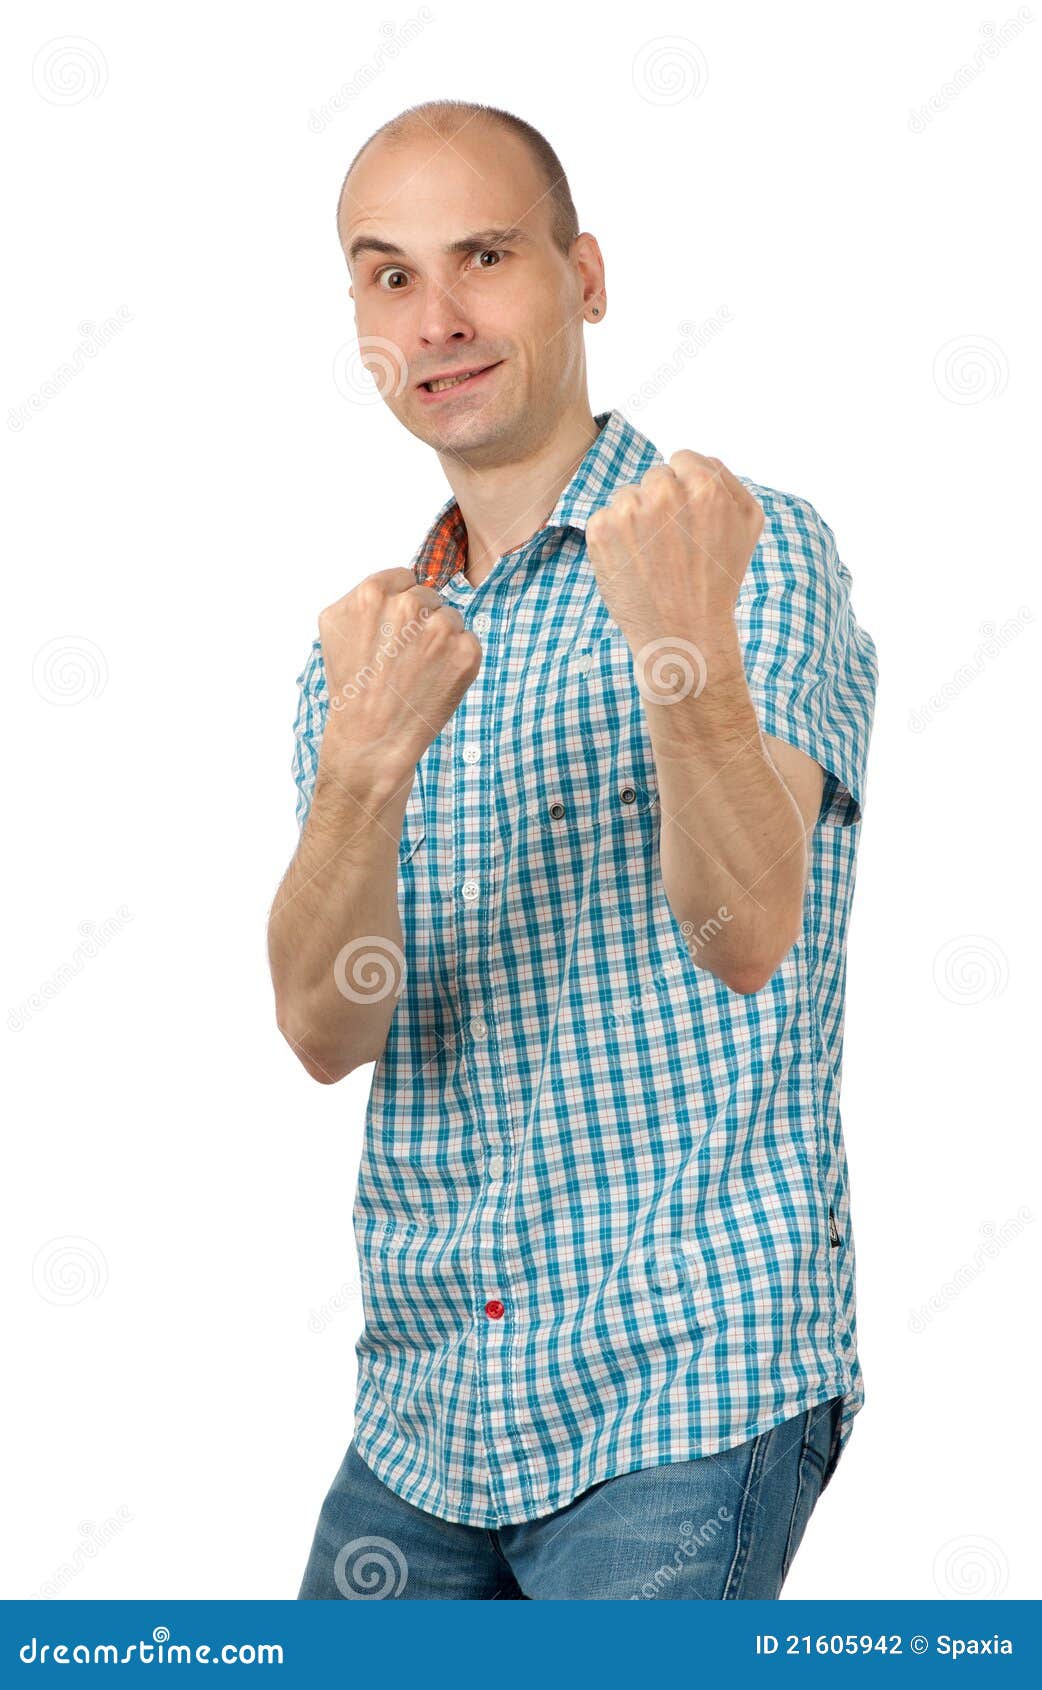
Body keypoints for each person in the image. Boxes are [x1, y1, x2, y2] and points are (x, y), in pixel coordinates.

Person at [267, 99, 878, 1601]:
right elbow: (321, 1026)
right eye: (389, 275)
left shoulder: (749, 547)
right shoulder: (363, 649)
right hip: (425, 1415)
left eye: (484, 254)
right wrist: (362, 764)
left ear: (583, 274)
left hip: (683, 1384)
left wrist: (679, 645)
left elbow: (747, 931)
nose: (440, 315)